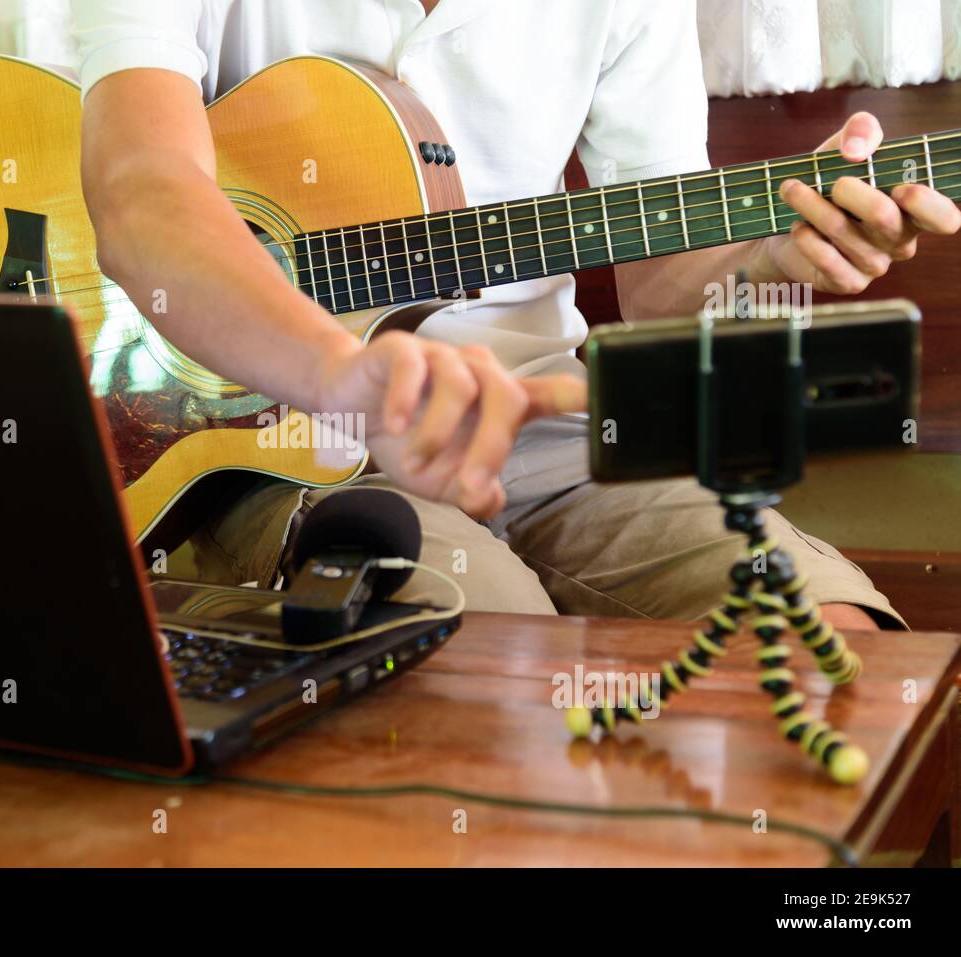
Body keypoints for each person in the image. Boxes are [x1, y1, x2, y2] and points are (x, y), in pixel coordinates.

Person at [73, 0, 961, 629]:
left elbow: (656, 283)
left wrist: (765, 252)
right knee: (496, 662)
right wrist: (342, 373)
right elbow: (140, 194)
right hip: (277, 446)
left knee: (825, 635)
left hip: (543, 428)